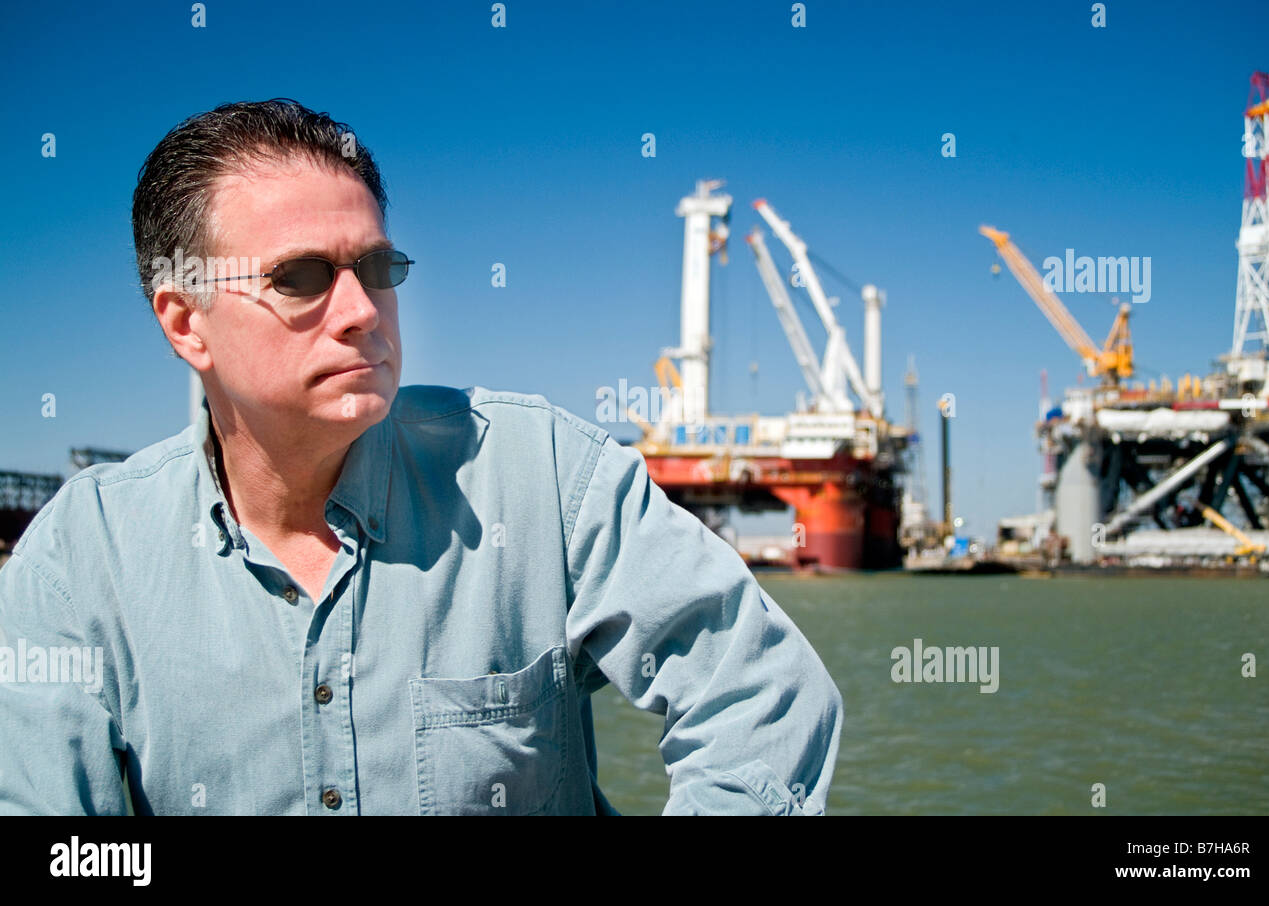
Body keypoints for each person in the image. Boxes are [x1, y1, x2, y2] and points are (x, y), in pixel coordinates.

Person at [0, 99, 843, 815]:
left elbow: (761, 696)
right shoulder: (85, 557)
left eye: (376, 267)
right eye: (300, 277)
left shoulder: (541, 474)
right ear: (186, 323)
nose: (363, 309)